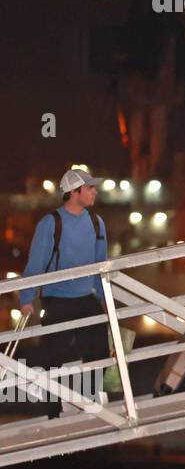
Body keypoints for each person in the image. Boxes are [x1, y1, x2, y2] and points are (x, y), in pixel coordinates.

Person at [18, 168, 111, 418]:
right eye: (89, 187)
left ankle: (87, 403)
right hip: (57, 299)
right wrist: (27, 299)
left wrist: (104, 301)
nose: (95, 192)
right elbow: (35, 264)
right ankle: (53, 412)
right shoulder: (50, 223)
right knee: (52, 358)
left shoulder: (96, 222)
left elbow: (101, 266)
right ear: (73, 192)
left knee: (100, 353)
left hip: (85, 298)